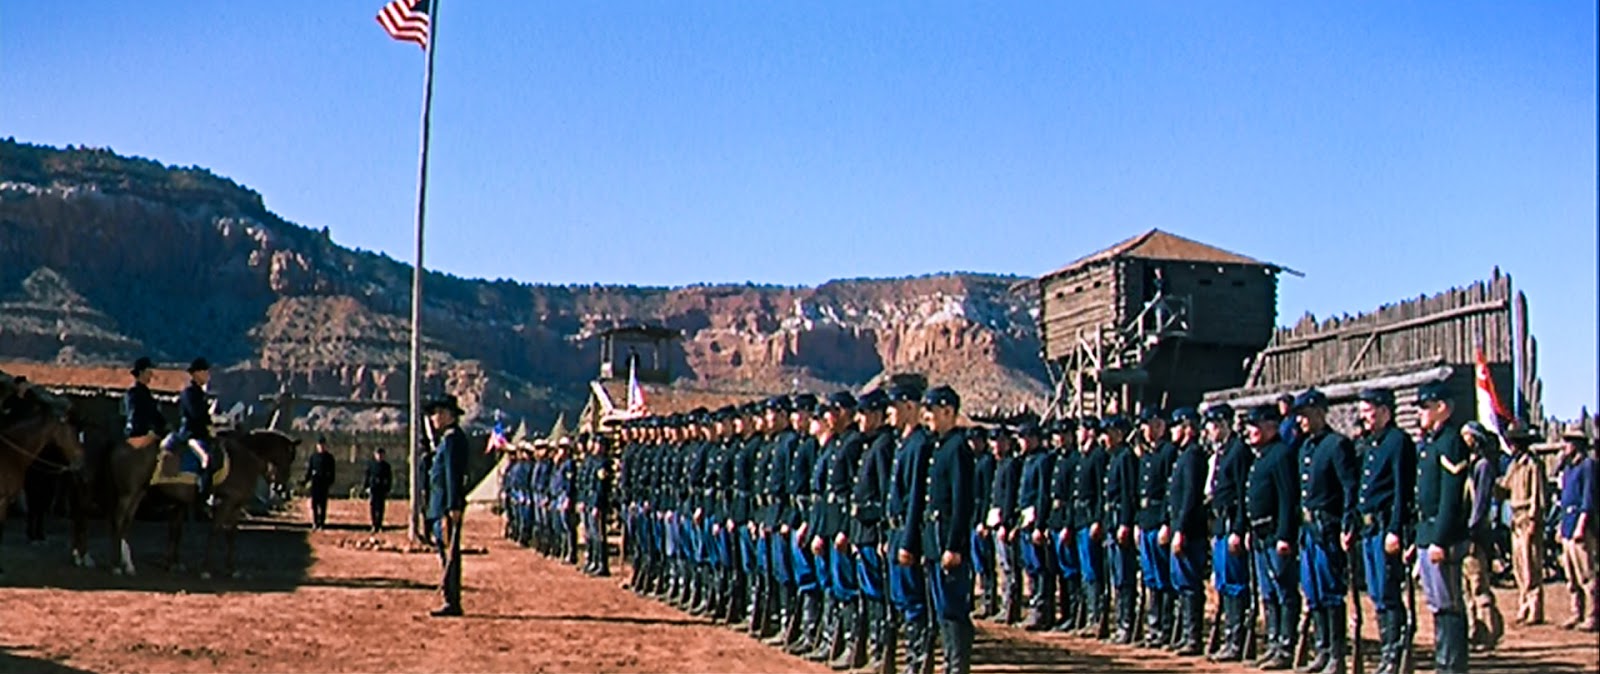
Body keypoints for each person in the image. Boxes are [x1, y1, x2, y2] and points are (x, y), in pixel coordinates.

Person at [905, 386, 975, 674]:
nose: (927, 416)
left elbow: (962, 503)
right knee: (940, 606)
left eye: (932, 411)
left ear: (948, 411)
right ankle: (949, 663)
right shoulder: (938, 447)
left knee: (952, 607)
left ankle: (957, 667)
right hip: (934, 539)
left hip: (946, 538)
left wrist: (954, 545)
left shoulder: (957, 448)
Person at [1290, 389, 1358, 674]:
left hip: (1327, 527)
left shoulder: (1336, 445)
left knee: (1331, 591)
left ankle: (1337, 655)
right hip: (1309, 529)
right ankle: (1322, 649)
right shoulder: (1305, 448)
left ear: (1319, 412)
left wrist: (1348, 524)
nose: (1301, 421)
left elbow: (1349, 488)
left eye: (1305, 415)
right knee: (1313, 591)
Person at [1353, 388, 1415, 674]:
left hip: (1385, 526)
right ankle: (1386, 650)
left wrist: (1395, 529)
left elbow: (1402, 491)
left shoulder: (1397, 442)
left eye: (1369, 411)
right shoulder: (1371, 444)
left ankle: (1395, 653)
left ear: (1385, 411)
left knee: (1388, 591)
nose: (1364, 417)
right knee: (1376, 592)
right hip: (1368, 529)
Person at [1412, 382, 1470, 674]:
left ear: (1442, 407)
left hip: (1441, 535)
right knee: (1436, 603)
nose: (1420, 413)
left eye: (1425, 407)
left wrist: (1439, 539)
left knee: (1449, 604)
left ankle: (1452, 665)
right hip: (1427, 531)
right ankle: (1443, 662)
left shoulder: (1450, 442)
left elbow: (1450, 498)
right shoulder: (1431, 444)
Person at [1243, 403, 1299, 671]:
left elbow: (1287, 499)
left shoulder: (1280, 455)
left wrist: (1284, 535)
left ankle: (1286, 646)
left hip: (1275, 533)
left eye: (1255, 426)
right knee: (1267, 593)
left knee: (1283, 590)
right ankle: (1273, 643)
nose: (1250, 431)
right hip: (1260, 534)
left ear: (1271, 427)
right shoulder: (1261, 456)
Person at [1164, 408, 1208, 656]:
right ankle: (1184, 634)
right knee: (1180, 581)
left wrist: (1180, 529)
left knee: (1189, 582)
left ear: (1188, 428)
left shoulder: (1193, 456)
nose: (1172, 431)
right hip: (1180, 528)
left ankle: (1193, 637)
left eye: (1176, 426)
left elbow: (1191, 496)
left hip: (1190, 531)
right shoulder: (1183, 455)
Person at [1459, 421, 1505, 651]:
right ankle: (1474, 630)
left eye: (1467, 436)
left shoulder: (1484, 466)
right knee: (1466, 586)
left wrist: (1472, 530)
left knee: (1478, 583)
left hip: (1476, 534)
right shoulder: (1468, 465)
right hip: (1464, 533)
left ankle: (1489, 630)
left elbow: (1481, 502)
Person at [425, 394, 469, 618]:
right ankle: (449, 597)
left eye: (437, 413)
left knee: (450, 554)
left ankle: (451, 600)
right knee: (444, 552)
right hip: (440, 504)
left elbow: (452, 475)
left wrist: (453, 506)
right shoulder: (447, 439)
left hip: (445, 506)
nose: (434, 418)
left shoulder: (453, 440)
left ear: (447, 414)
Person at [1500, 426, 1548, 626]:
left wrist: (1535, 519)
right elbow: (1505, 486)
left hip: (1528, 516)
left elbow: (1538, 493)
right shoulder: (1514, 465)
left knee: (1531, 564)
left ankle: (1534, 607)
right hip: (1515, 516)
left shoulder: (1533, 464)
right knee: (1519, 564)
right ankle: (1524, 604)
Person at [1555, 428, 1597, 632]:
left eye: (1569, 442)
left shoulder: (1588, 466)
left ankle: (1592, 614)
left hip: (1581, 526)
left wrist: (1581, 525)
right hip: (1567, 523)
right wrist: (1561, 526)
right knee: (1571, 574)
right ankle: (1576, 611)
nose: (1565, 446)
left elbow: (1588, 499)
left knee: (1586, 573)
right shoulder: (1569, 468)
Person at [174, 358, 217, 503]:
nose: (208, 375)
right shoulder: (189, 393)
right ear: (197, 374)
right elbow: (196, 414)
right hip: (191, 435)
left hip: (202, 434)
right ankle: (203, 496)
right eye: (205, 372)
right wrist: (209, 419)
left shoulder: (200, 393)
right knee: (206, 458)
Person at [124, 357, 168, 449]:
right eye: (148, 372)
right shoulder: (135, 392)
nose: (151, 375)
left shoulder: (143, 392)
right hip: (139, 433)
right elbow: (140, 414)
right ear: (141, 372)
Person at [304, 436, 337, 530]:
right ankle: (315, 522)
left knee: (322, 504)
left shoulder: (329, 458)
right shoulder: (313, 457)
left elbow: (332, 472)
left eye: (323, 445)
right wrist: (306, 480)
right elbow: (309, 470)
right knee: (314, 504)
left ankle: (322, 522)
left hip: (324, 483)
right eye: (319, 445)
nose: (321, 447)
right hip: (315, 483)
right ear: (317, 446)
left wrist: (330, 482)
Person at [364, 447, 394, 533]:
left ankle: (380, 524)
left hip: (382, 488)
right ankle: (374, 524)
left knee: (381, 507)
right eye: (378, 454)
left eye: (381, 454)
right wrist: (366, 487)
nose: (380, 456)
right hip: (373, 488)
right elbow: (367, 476)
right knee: (373, 507)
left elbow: (389, 478)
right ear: (375, 455)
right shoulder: (371, 465)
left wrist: (388, 489)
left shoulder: (386, 466)